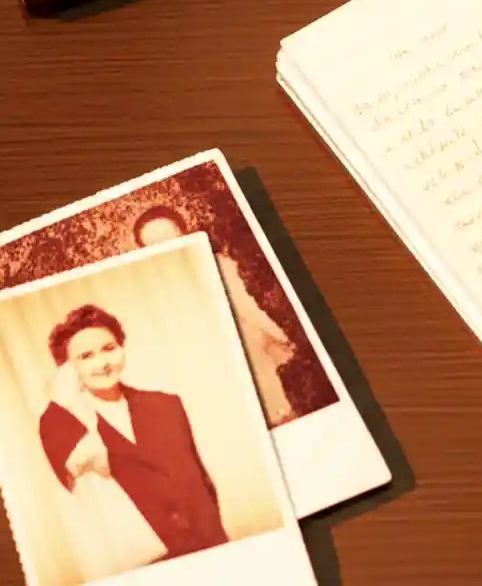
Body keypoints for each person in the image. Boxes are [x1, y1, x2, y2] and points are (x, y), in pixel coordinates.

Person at [38, 304, 229, 572]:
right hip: (148, 565)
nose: (103, 363)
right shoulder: (62, 423)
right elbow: (88, 472)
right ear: (67, 369)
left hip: (211, 549)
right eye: (86, 356)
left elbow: (200, 480)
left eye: (109, 348)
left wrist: (223, 547)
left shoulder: (166, 404)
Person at [131, 205, 298, 426]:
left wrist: (281, 337)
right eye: (155, 245)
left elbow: (248, 309)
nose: (166, 247)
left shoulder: (218, 264)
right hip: (203, 372)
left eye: (168, 237)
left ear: (183, 233)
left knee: (275, 415)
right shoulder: (157, 289)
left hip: (246, 355)